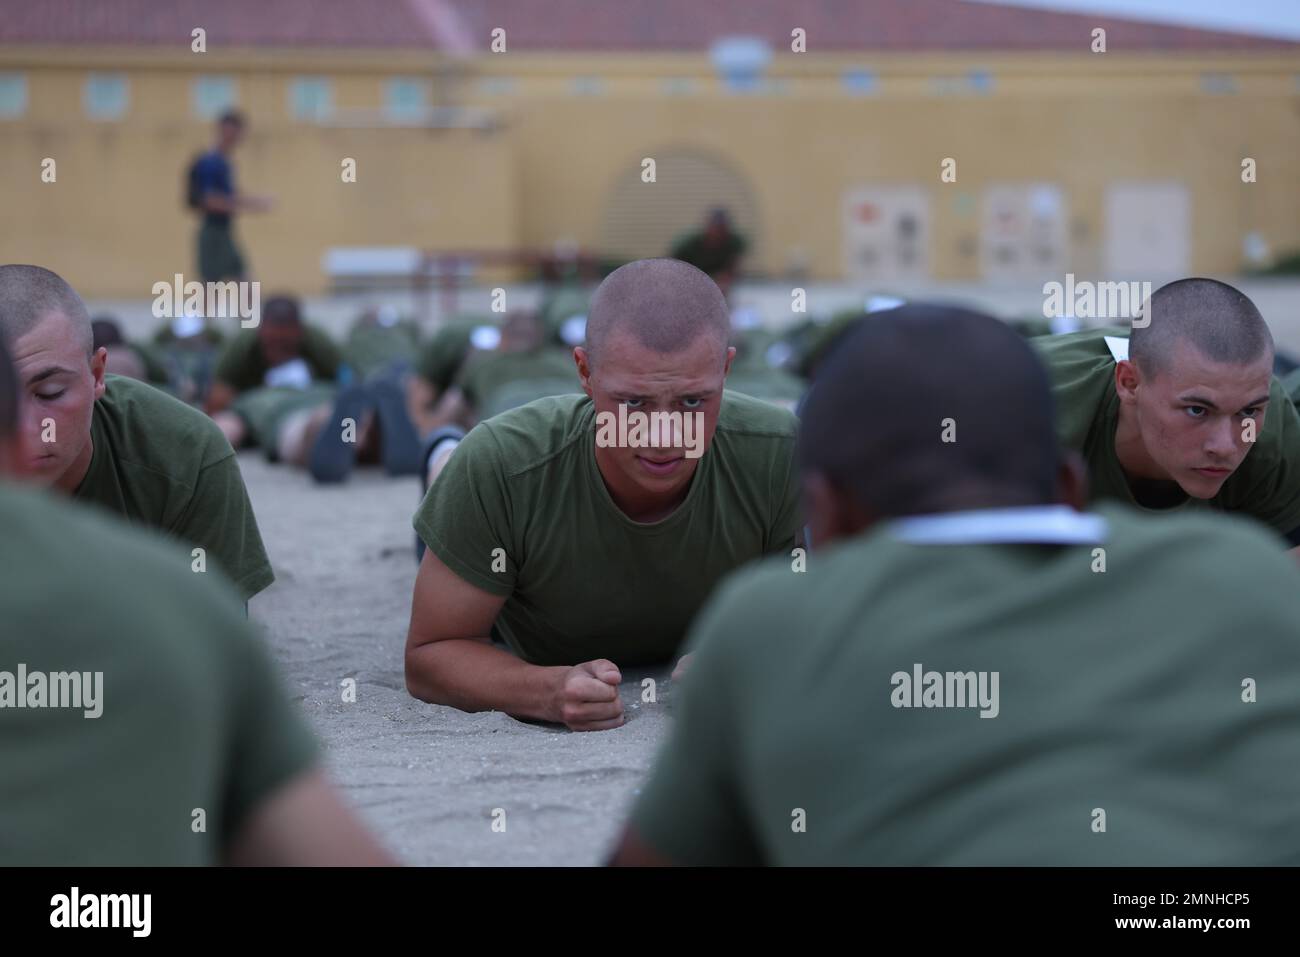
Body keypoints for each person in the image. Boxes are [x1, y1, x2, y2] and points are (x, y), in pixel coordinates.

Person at [612, 304, 1300, 866]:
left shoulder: (766, 627)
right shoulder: (1246, 572)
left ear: (823, 511)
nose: (1226, 441)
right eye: (1198, 412)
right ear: (1069, 485)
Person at [0, 333, 392, 867]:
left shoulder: (181, 452)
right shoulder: (170, 597)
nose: (33, 428)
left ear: (98, 375)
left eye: (50, 393)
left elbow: (221, 677)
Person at [405, 259, 801, 731]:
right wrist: (545, 691)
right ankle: (441, 458)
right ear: (585, 372)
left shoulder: (783, 456)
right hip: (497, 572)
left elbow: (822, 621)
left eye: (693, 401)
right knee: (459, 469)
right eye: (633, 402)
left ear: (727, 370)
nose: (663, 435)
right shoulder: (499, 465)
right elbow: (429, 655)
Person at [0, 264, 273, 603]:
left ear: (97, 374)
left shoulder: (187, 456)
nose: (26, 428)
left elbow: (204, 646)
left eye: (51, 392)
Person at [1033, 278, 1300, 553]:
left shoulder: (1274, 435)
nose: (1224, 447)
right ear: (1129, 383)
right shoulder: (1033, 411)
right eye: (1197, 410)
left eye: (1248, 412)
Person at [206, 294, 341, 415]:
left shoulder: (319, 345)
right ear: (261, 330)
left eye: (286, 344)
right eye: (272, 343)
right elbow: (218, 394)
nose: (278, 350)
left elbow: (346, 379)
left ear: (300, 332)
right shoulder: (242, 347)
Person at [188, 109, 271, 283]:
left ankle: (251, 311)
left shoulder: (225, 162)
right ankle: (197, 312)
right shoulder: (211, 162)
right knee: (212, 288)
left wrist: (255, 202)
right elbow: (209, 200)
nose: (239, 137)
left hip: (224, 230)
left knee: (244, 283)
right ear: (223, 130)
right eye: (235, 131)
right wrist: (247, 207)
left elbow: (230, 196)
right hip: (213, 232)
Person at [669, 208, 747, 301]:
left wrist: (723, 284)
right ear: (708, 228)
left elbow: (733, 268)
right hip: (688, 275)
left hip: (718, 279)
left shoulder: (734, 242)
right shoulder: (687, 243)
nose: (718, 234)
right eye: (715, 229)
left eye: (722, 230)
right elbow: (672, 267)